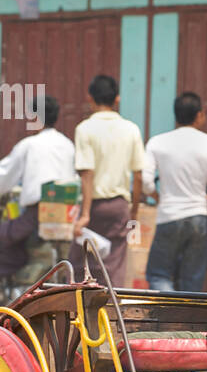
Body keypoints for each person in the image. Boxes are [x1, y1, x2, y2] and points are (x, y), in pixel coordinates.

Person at [142, 92, 207, 293]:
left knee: (159, 274)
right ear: (200, 115)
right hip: (198, 217)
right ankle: (186, 322)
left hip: (168, 216)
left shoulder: (157, 143)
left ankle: (166, 318)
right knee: (192, 278)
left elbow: (146, 184)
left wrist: (160, 199)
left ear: (176, 116)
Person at [70, 75, 145, 286]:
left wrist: (84, 214)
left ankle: (80, 314)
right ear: (117, 99)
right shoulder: (131, 129)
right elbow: (138, 175)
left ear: (90, 98)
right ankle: (112, 314)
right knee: (114, 265)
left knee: (80, 263)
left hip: (93, 206)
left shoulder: (84, 128)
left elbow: (87, 174)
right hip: (119, 206)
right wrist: (134, 211)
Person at [0, 95, 76, 275]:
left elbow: (5, 176)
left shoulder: (29, 145)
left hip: (37, 216)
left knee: (5, 236)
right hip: (64, 216)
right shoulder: (67, 144)